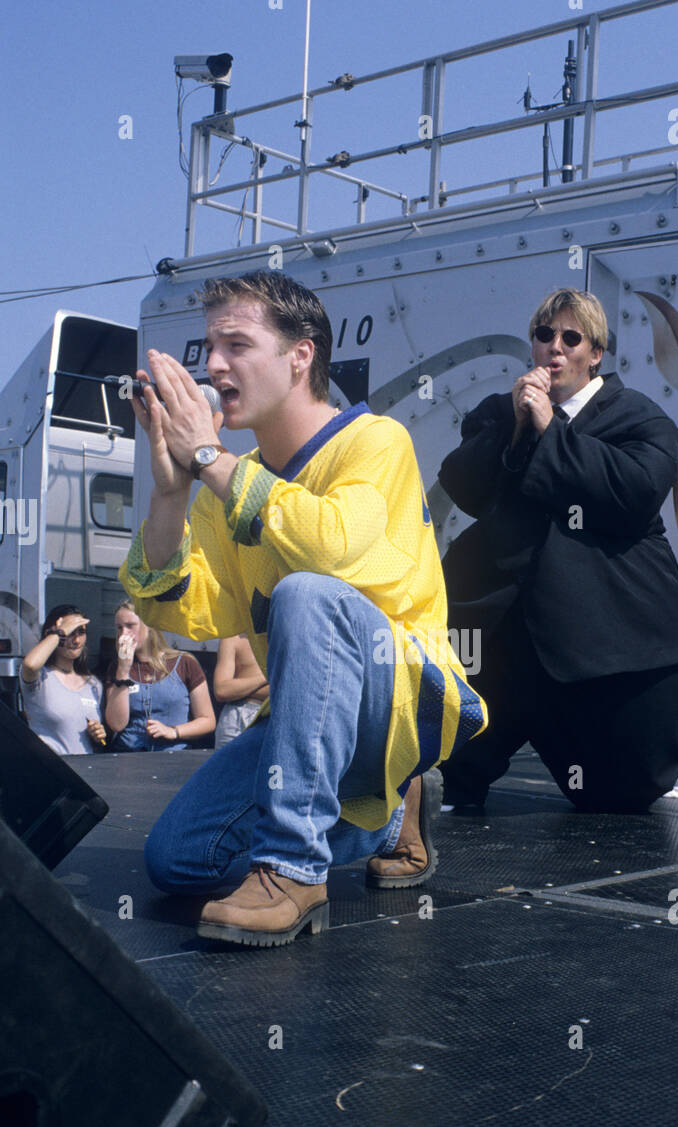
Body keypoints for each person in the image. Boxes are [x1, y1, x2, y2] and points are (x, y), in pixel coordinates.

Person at [119, 270, 486, 947]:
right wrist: (171, 492)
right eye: (208, 348)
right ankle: (384, 814)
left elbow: (333, 550)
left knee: (307, 591)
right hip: (301, 715)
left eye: (236, 345)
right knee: (176, 860)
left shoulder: (374, 441)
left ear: (300, 355)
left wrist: (207, 456)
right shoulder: (222, 485)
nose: (215, 365)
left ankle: (292, 869)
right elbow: (185, 613)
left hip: (395, 696)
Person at [439, 287, 678, 814]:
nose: (555, 347)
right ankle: (465, 773)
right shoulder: (497, 412)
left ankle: (655, 748)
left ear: (594, 353)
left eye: (570, 337)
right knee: (455, 781)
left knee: (619, 795)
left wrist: (550, 430)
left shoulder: (639, 419)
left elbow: (635, 493)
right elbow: (464, 487)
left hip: (602, 639)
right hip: (502, 627)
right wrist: (514, 427)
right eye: (544, 335)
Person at [104, 600, 216, 751]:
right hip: (129, 755)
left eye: (130, 626)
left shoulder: (184, 662)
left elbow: (207, 720)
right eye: (119, 628)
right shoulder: (117, 668)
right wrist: (123, 671)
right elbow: (116, 724)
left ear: (148, 626)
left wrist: (174, 731)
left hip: (172, 755)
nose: (124, 634)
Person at [18, 605, 106, 754]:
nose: (77, 640)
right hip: (51, 769)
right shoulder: (41, 677)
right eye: (71, 633)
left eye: (81, 632)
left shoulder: (93, 684)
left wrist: (97, 735)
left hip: (84, 771)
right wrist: (59, 632)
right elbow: (30, 665)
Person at [213, 634, 269, 748]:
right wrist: (267, 676)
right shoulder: (232, 638)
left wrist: (239, 689)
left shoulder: (292, 637)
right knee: (226, 765)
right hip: (235, 717)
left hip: (272, 715)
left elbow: (287, 691)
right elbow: (222, 690)